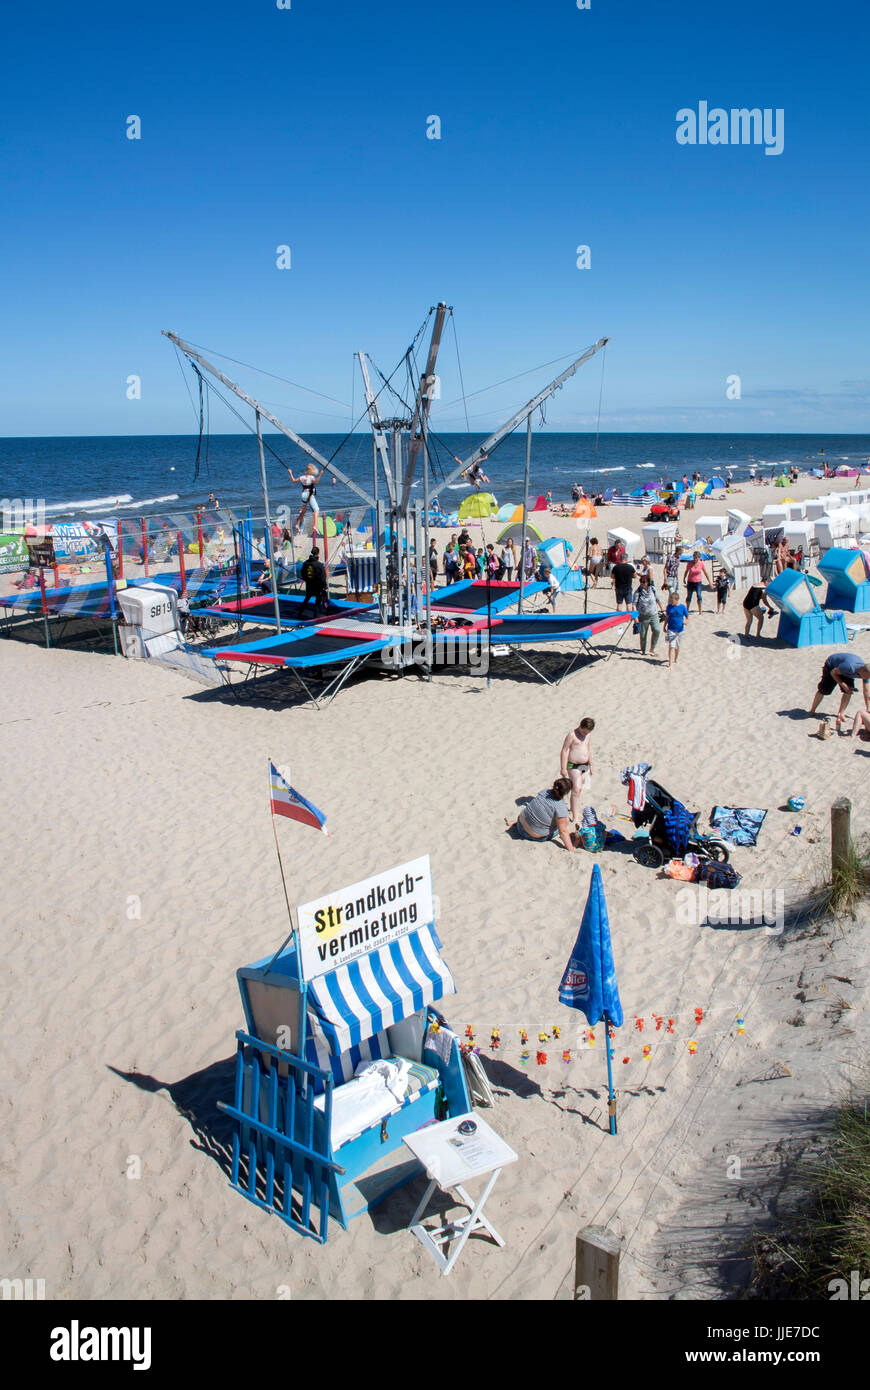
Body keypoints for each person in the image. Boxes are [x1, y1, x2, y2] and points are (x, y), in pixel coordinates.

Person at [509, 777, 576, 852]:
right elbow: (562, 832)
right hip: (530, 835)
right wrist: (571, 849)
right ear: (566, 792)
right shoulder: (560, 806)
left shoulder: (544, 792)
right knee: (565, 821)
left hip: (520, 824)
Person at [808, 652, 870, 726]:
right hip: (832, 666)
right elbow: (833, 673)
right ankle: (812, 710)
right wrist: (842, 684)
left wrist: (868, 708)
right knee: (824, 690)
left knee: (848, 691)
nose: (867, 678)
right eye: (867, 676)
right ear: (863, 671)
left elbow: (866, 691)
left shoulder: (866, 673)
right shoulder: (849, 667)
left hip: (846, 672)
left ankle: (841, 713)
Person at [560, 718, 595, 824]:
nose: (584, 734)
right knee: (577, 790)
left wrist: (591, 764)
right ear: (580, 726)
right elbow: (564, 750)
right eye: (583, 731)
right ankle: (575, 817)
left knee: (579, 789)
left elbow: (588, 749)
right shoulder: (572, 735)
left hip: (584, 765)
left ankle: (573, 808)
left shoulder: (588, 735)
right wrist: (563, 768)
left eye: (587, 732)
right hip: (573, 765)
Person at [287, 462, 324, 533]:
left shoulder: (302, 477)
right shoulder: (311, 477)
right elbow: (316, 482)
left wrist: (290, 473)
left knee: (303, 511)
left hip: (303, 494)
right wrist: (320, 474)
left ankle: (297, 525)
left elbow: (293, 480)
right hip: (309, 495)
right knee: (316, 510)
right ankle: (315, 526)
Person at [633, 573, 664, 656]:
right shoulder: (638, 591)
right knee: (643, 634)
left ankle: (652, 648)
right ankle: (643, 650)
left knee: (657, 630)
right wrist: (635, 618)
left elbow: (658, 600)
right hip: (643, 616)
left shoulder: (653, 589)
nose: (642, 584)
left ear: (647, 582)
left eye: (643, 582)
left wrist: (662, 610)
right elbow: (634, 605)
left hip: (654, 614)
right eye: (641, 582)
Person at [298, 546, 328, 615]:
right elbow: (323, 577)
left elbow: (302, 573)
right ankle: (316, 616)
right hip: (317, 585)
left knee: (307, 599)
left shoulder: (306, 563)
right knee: (318, 600)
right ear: (318, 553)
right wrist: (325, 586)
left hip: (309, 584)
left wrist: (306, 579)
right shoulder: (319, 564)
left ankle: (300, 613)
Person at [665, 588, 689, 667]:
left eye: (672, 601)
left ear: (677, 600)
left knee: (677, 647)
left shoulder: (682, 607)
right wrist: (664, 625)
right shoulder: (669, 607)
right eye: (670, 600)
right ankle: (670, 663)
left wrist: (686, 621)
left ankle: (675, 659)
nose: (671, 602)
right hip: (671, 629)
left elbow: (687, 617)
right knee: (671, 646)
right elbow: (667, 617)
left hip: (680, 630)